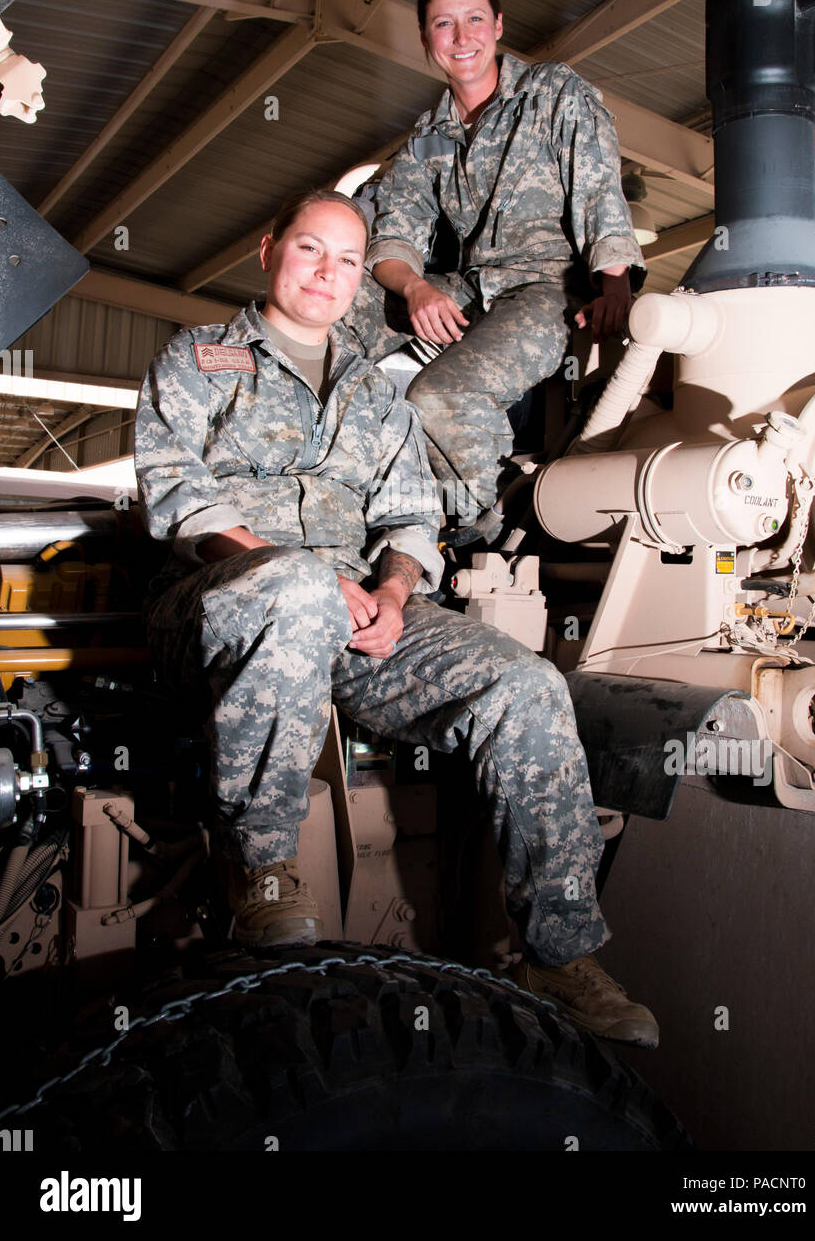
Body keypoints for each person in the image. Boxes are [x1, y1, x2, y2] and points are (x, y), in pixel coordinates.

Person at [134, 189, 658, 1048]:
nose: (328, 274)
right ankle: (260, 870)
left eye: (348, 260)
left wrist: (393, 591)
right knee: (296, 588)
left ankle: (559, 953)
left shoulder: (375, 394)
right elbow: (175, 497)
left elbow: (411, 518)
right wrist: (290, 570)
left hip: (349, 607)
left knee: (521, 685)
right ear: (269, 251)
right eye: (311, 250)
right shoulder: (198, 358)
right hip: (218, 601)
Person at [346, 0, 646, 542]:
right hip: (471, 287)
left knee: (441, 396)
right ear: (426, 39)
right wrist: (414, 287)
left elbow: (599, 188)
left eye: (474, 19)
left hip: (549, 289)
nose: (462, 38)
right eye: (443, 24)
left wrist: (615, 285)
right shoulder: (428, 134)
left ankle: (487, 525)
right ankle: (311, 451)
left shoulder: (554, 92)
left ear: (499, 24)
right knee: (341, 300)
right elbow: (394, 231)